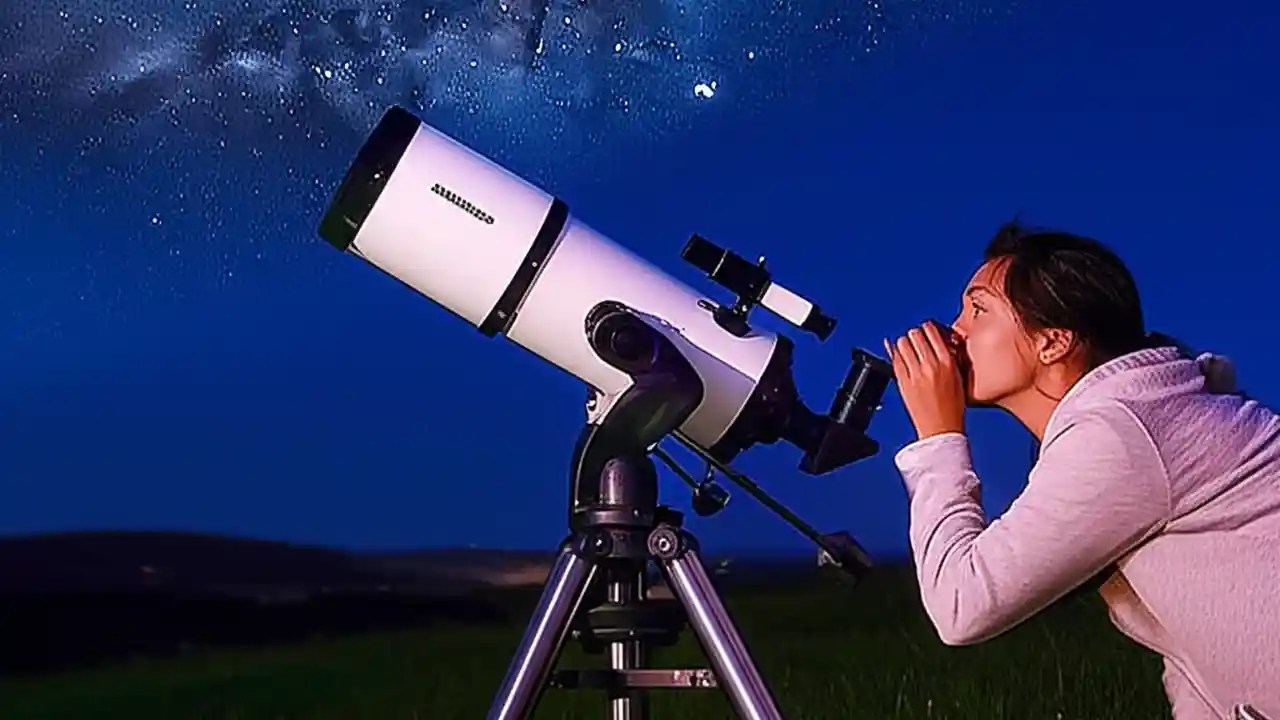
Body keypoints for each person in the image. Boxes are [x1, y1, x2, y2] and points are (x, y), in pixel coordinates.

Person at [884, 220, 1280, 719]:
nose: (954, 332)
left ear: (1053, 342)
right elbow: (1187, 644)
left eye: (978, 310)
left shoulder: (1121, 431)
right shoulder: (1141, 409)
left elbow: (961, 604)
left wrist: (939, 436)